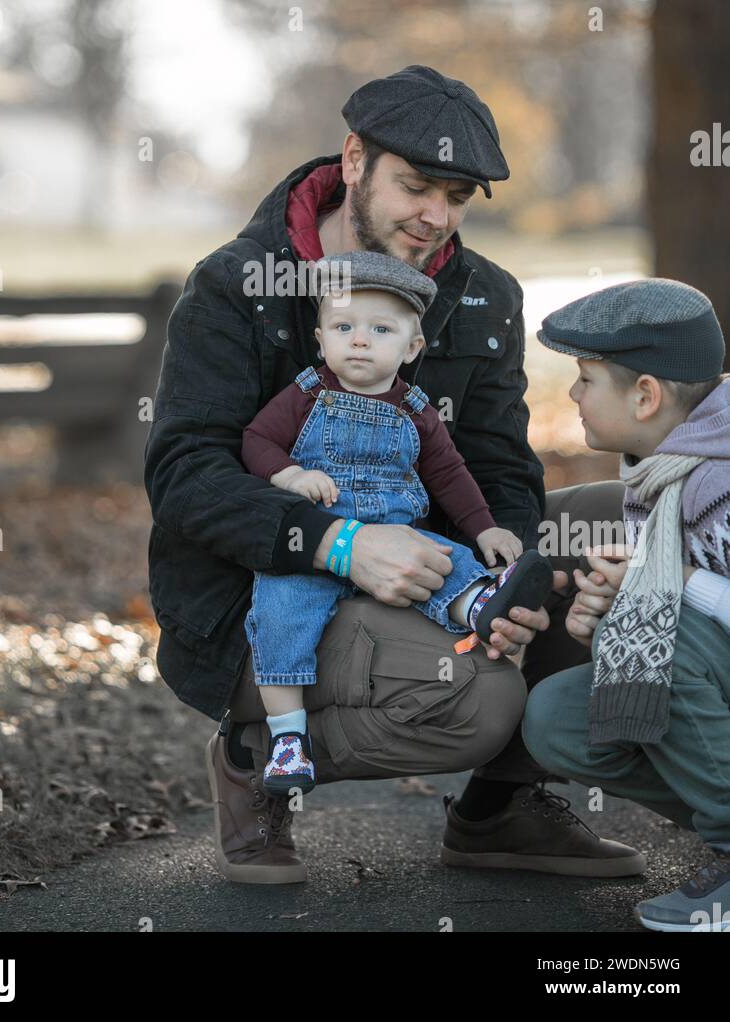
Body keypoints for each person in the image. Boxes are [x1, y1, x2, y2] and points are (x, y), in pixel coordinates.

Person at [144, 64, 643, 884]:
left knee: (620, 518)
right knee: (481, 702)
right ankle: (260, 750)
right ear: (352, 161)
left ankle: (499, 811)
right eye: (416, 186)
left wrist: (511, 574)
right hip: (260, 597)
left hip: (422, 565)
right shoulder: (239, 284)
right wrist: (338, 544)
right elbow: (184, 475)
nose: (436, 218)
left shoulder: (482, 295)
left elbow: (494, 461)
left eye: (458, 197)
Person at [240, 250, 553, 795]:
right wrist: (288, 475)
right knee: (279, 615)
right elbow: (256, 441)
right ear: (321, 340)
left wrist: (483, 529)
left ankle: (476, 604)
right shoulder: (307, 393)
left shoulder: (416, 409)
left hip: (399, 537)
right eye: (343, 327)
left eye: (379, 330)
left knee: (449, 560)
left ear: (411, 348)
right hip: (315, 542)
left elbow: (449, 473)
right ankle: (287, 739)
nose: (358, 340)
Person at [521, 277, 730, 932]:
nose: (574, 395)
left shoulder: (719, 480)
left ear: (645, 395)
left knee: (651, 626)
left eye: (587, 378)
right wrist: (613, 605)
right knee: (556, 716)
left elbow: (683, 600)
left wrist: (662, 585)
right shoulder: (661, 467)